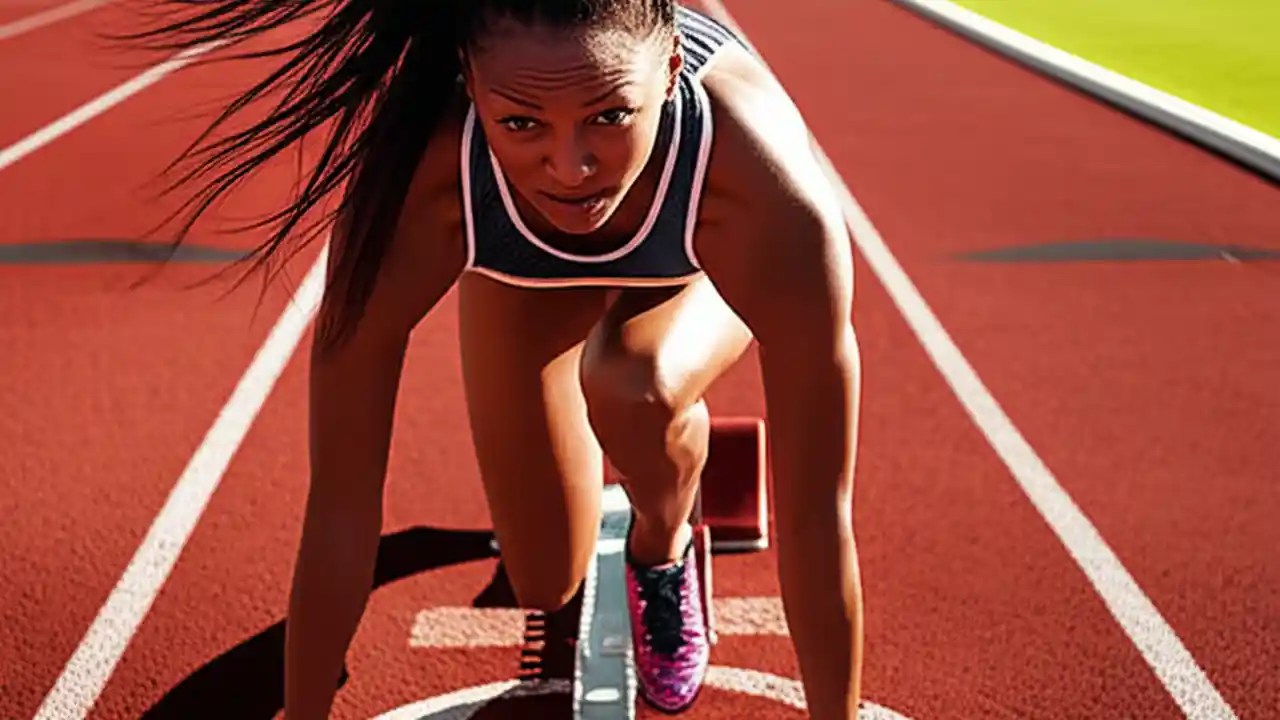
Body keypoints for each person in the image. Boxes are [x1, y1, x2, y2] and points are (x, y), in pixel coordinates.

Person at [126, 0, 864, 717]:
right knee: (544, 577)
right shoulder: (425, 182)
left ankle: (663, 542)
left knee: (633, 385)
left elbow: (818, 517)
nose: (571, 168)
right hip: (522, 273)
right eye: (521, 123)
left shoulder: (760, 188)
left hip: (693, 265)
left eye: (610, 116)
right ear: (468, 85)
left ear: (671, 71)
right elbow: (340, 502)